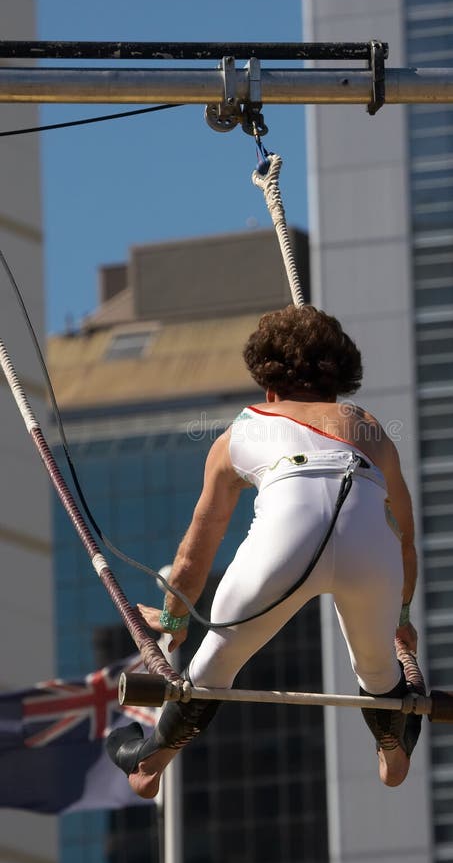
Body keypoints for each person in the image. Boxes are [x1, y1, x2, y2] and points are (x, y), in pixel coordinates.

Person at [107, 304, 420, 798]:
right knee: (378, 667)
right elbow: (404, 536)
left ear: (267, 386)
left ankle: (149, 765)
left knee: (212, 670)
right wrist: (401, 615)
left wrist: (172, 623)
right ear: (338, 379)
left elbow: (195, 553)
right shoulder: (368, 427)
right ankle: (392, 742)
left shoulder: (242, 430)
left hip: (285, 542)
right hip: (370, 547)